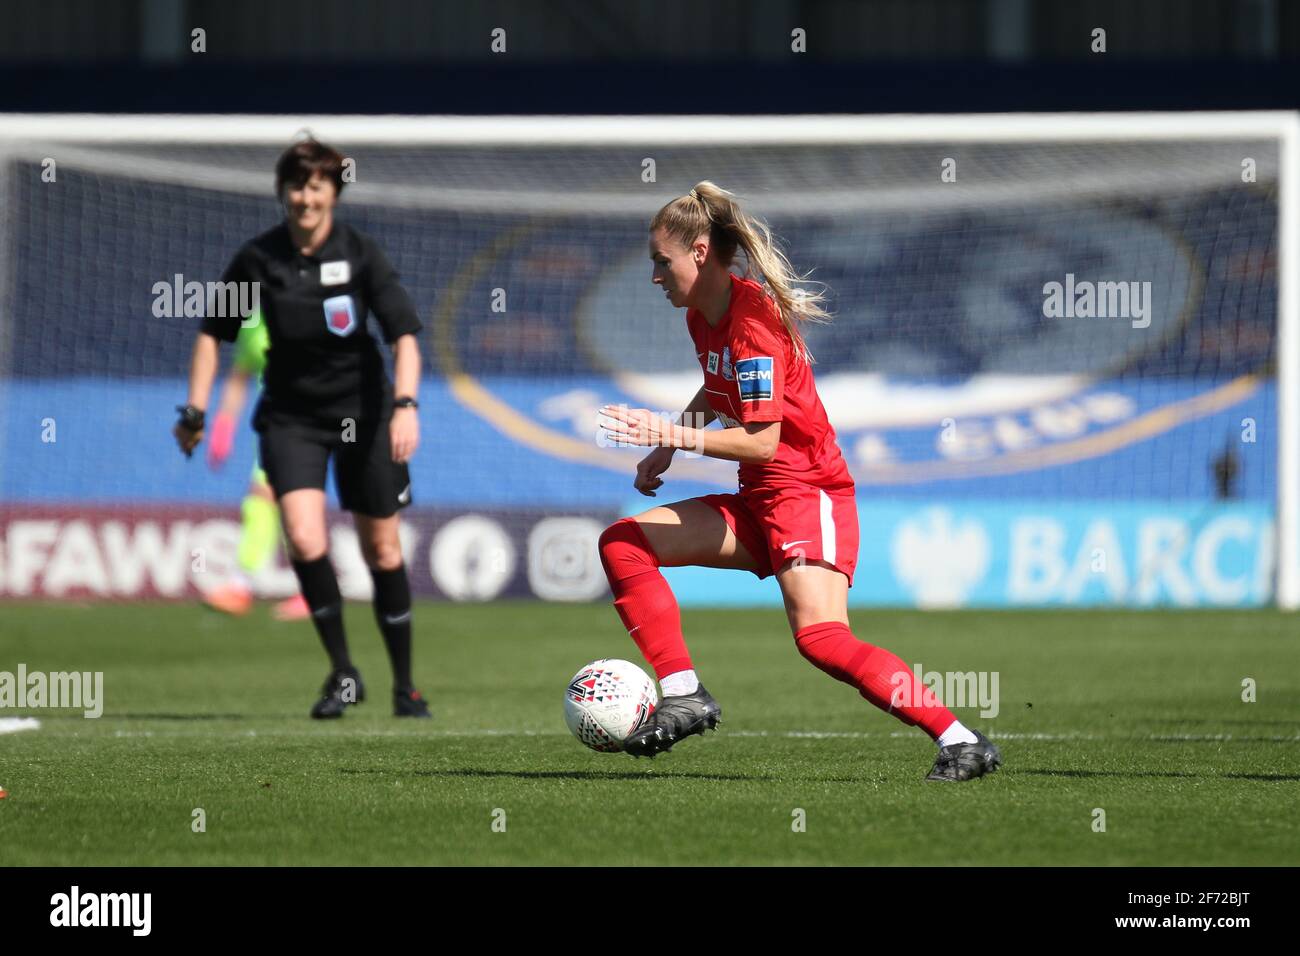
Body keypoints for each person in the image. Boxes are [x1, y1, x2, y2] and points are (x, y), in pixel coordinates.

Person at [598, 181, 1001, 781]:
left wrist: (672, 434)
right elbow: (718, 388)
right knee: (624, 543)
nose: (655, 275)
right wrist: (665, 448)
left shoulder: (752, 323)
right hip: (760, 496)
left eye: (663, 261)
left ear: (700, 253)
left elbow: (762, 439)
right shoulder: (703, 318)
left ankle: (962, 740)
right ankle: (684, 693)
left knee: (821, 638)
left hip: (808, 494)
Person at [174, 136, 430, 720]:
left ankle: (406, 685)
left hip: (365, 415)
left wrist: (407, 405)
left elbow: (405, 337)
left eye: (316, 186)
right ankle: (343, 673)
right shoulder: (258, 258)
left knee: (382, 549)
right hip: (291, 418)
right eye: (295, 185)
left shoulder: (361, 253)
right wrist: (194, 411)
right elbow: (213, 333)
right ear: (282, 192)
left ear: (333, 192)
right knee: (305, 538)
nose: (304, 197)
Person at [201, 311, 310, 622]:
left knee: (265, 496)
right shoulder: (252, 325)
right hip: (274, 425)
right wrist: (223, 425)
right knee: (274, 503)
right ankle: (309, 588)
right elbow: (240, 375)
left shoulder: (310, 311)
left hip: (311, 421)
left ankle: (242, 586)